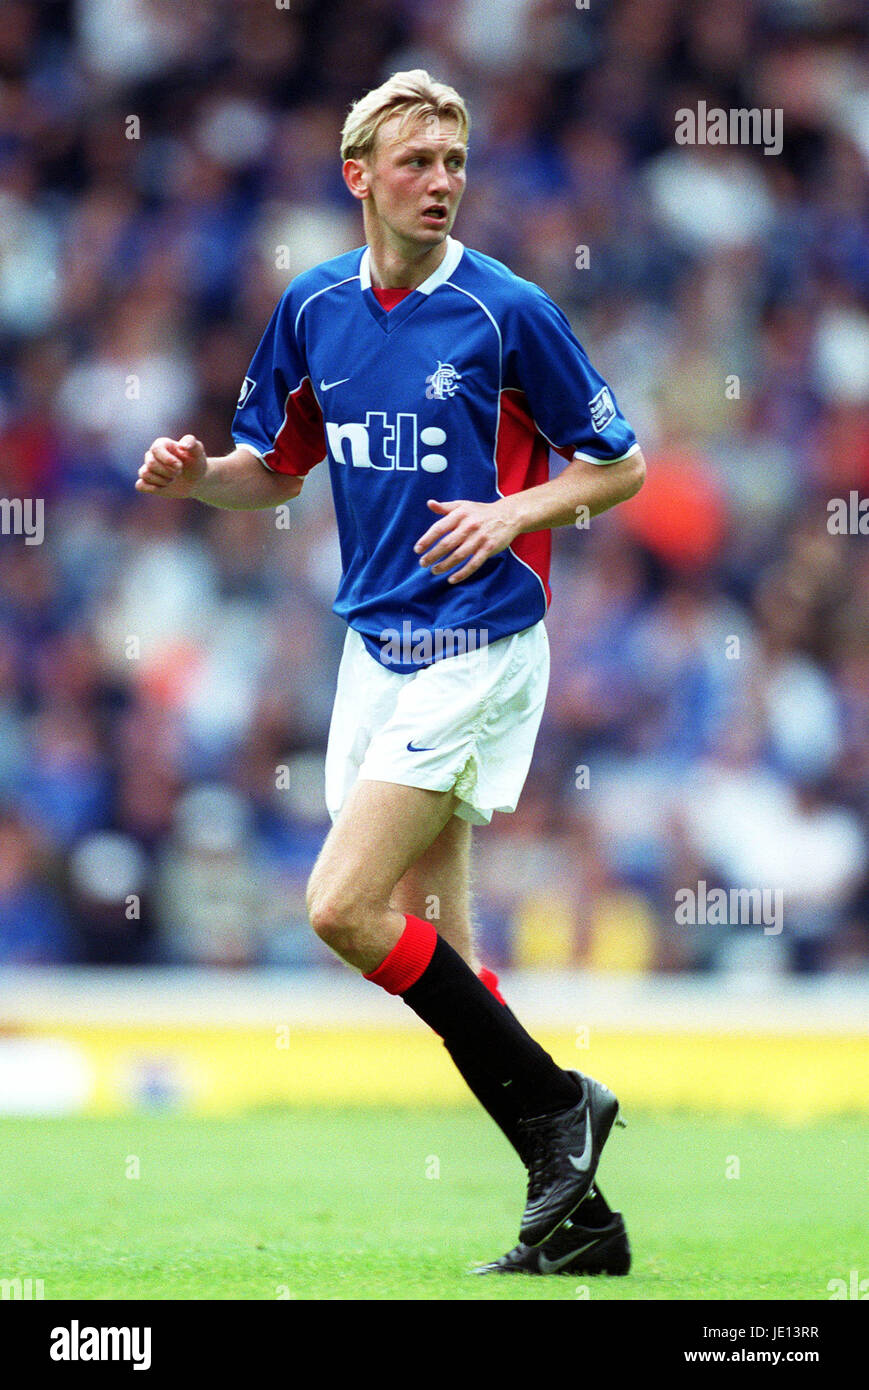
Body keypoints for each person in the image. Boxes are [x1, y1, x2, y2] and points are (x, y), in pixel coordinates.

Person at [138, 70, 644, 1274]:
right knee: (440, 946)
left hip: (477, 649)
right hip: (374, 650)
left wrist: (511, 513)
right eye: (414, 163)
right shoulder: (313, 306)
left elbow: (615, 465)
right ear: (357, 176)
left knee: (341, 909)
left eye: (454, 164)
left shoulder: (506, 307)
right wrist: (196, 472)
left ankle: (562, 1105)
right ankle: (577, 1218)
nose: (439, 184)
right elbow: (275, 465)